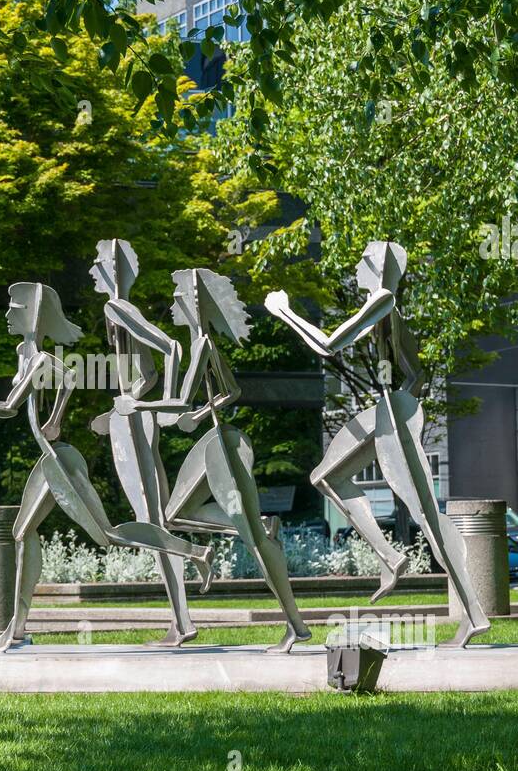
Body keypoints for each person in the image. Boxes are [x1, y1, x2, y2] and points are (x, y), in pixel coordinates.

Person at [0, 280, 214, 651]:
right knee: (21, 533)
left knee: (109, 534)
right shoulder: (26, 353)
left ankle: (196, 553)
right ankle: (16, 628)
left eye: (14, 310)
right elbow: (67, 378)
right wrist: (54, 417)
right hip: (48, 458)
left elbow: (9, 408)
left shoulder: (37, 359)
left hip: (60, 462)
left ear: (32, 316)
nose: (7, 314)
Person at [265, 240, 489, 648]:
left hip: (393, 411)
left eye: (360, 264)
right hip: (390, 407)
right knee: (325, 476)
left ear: (374, 268)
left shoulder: (382, 300)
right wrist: (399, 405)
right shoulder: (390, 308)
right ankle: (390, 557)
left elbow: (329, 346)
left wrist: (285, 312)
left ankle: (473, 614)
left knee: (425, 513)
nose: (355, 271)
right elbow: (416, 372)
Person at [156, 267, 311, 654]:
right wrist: (200, 410)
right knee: (172, 515)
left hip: (224, 446)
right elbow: (231, 391)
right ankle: (260, 523)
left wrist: (138, 406)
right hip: (215, 439)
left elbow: (178, 405)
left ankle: (295, 626)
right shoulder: (197, 344)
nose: (173, 304)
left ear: (194, 305)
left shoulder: (201, 344)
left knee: (254, 543)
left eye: (178, 298)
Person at [89, 239, 214, 647]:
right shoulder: (119, 311)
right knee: (155, 518)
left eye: (98, 262)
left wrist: (151, 405)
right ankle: (181, 618)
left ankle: (192, 575)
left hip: (134, 422)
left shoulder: (116, 307)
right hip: (130, 419)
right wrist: (130, 406)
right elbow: (153, 367)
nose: (93, 268)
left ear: (111, 269)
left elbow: (172, 348)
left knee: (150, 522)